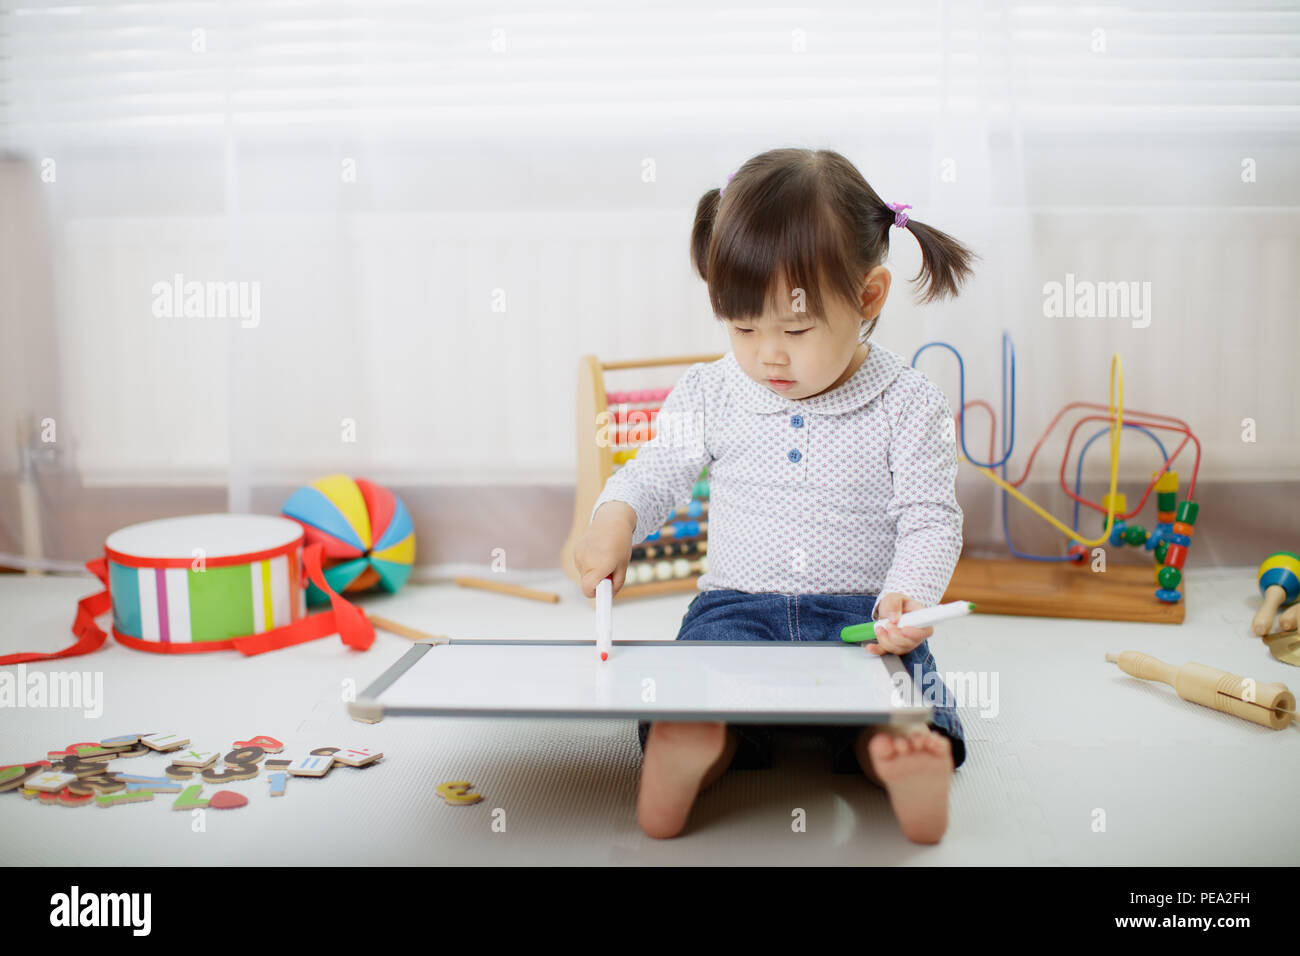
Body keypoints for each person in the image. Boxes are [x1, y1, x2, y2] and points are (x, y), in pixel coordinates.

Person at [572, 147, 977, 843]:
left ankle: (894, 757)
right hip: (738, 609)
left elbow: (929, 518)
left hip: (862, 621)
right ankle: (692, 747)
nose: (768, 356)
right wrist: (617, 515)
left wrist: (909, 596)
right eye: (743, 329)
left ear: (868, 297)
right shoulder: (712, 390)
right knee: (693, 679)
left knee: (904, 694)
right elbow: (657, 468)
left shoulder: (907, 403)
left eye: (794, 330)